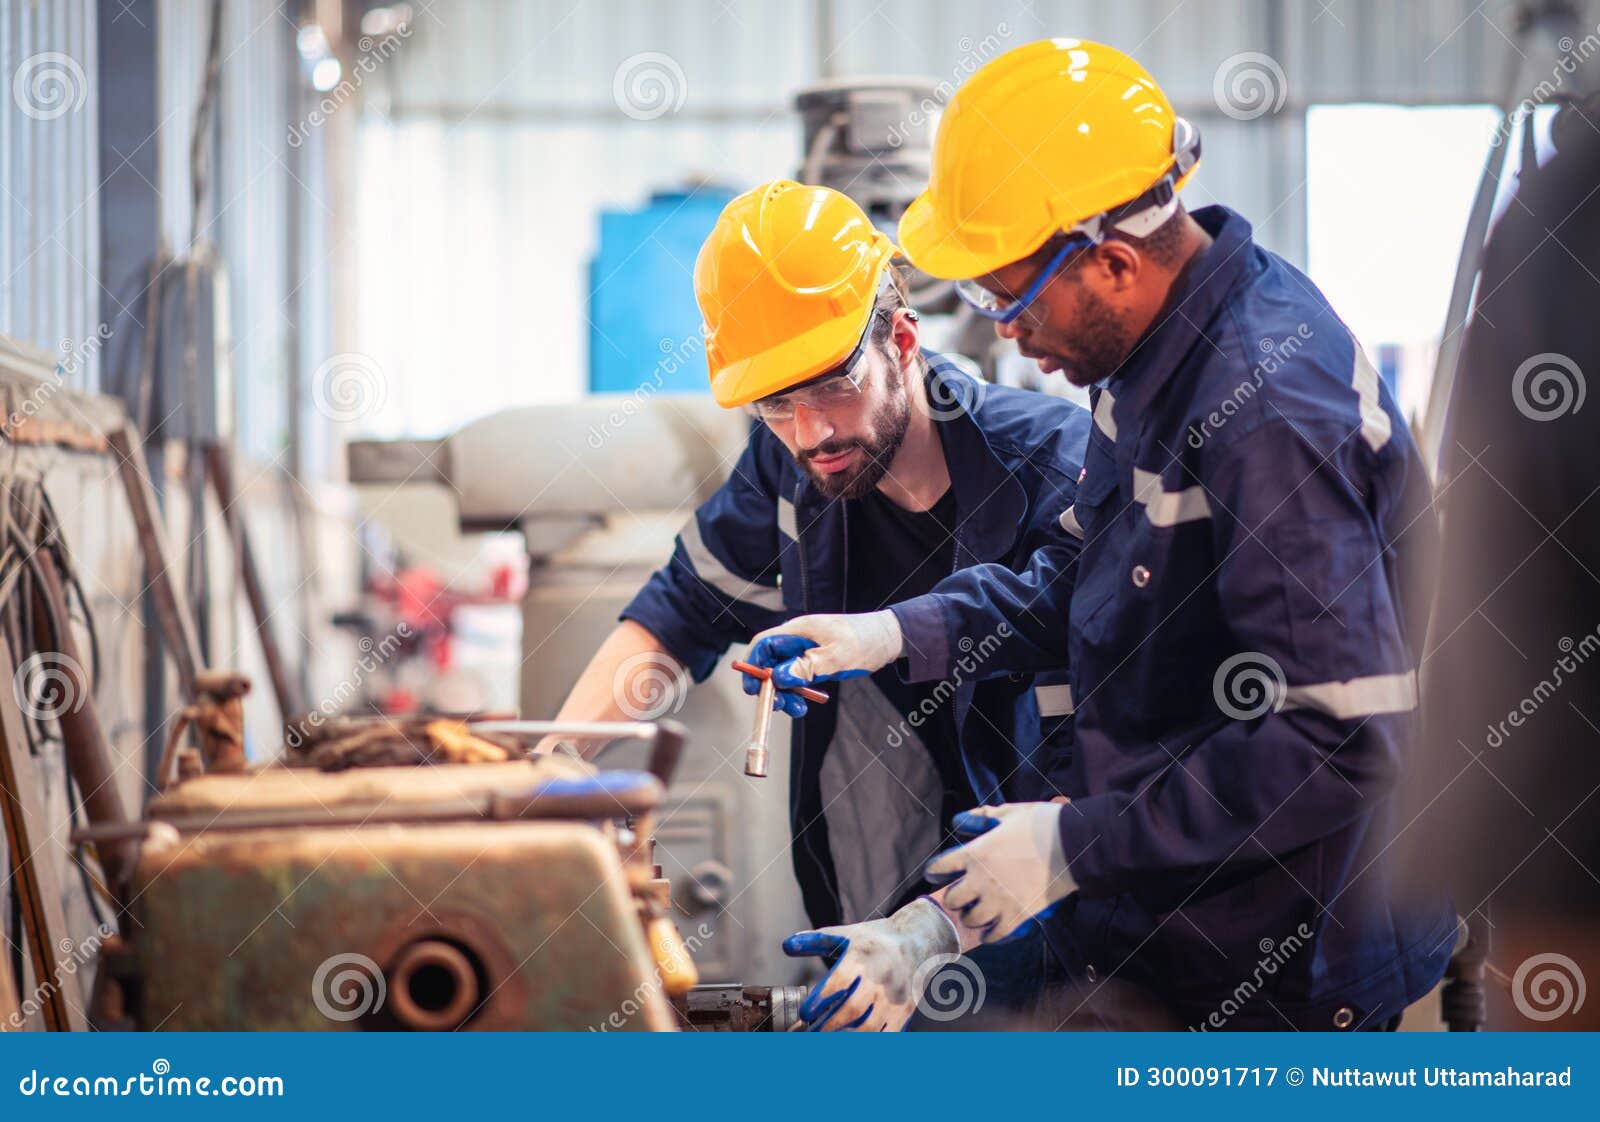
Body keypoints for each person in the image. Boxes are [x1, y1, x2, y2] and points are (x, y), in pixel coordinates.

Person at [746, 40, 1456, 1031]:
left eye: (1008, 298)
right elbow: (1082, 571)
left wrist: (1071, 844)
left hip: (1288, 961)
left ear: (1111, 263)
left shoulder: (1268, 413)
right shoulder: (1148, 363)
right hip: (1171, 921)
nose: (1000, 331)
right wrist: (891, 634)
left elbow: (1337, 736)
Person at [540, 180, 1092, 1029]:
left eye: (831, 387)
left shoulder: (1055, 467)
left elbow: (1123, 769)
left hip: (1064, 952)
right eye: (776, 404)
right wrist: (558, 763)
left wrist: (932, 933)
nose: (809, 434)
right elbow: (678, 610)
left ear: (902, 340)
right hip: (875, 925)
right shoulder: (793, 471)